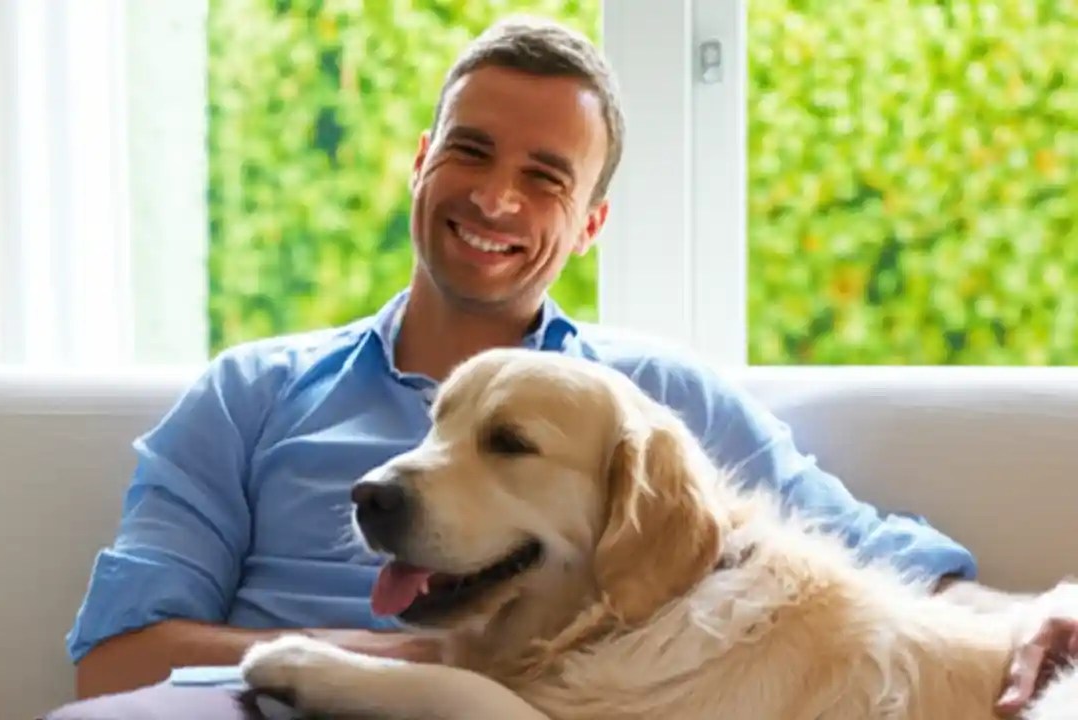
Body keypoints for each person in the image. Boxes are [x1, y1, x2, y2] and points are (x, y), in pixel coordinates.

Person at [61, 15, 1075, 718]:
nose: (495, 199)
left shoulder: (661, 402)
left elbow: (889, 573)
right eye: (470, 152)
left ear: (590, 223)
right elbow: (114, 660)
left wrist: (1058, 612)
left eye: (544, 177)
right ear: (420, 163)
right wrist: (394, 663)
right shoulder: (250, 393)